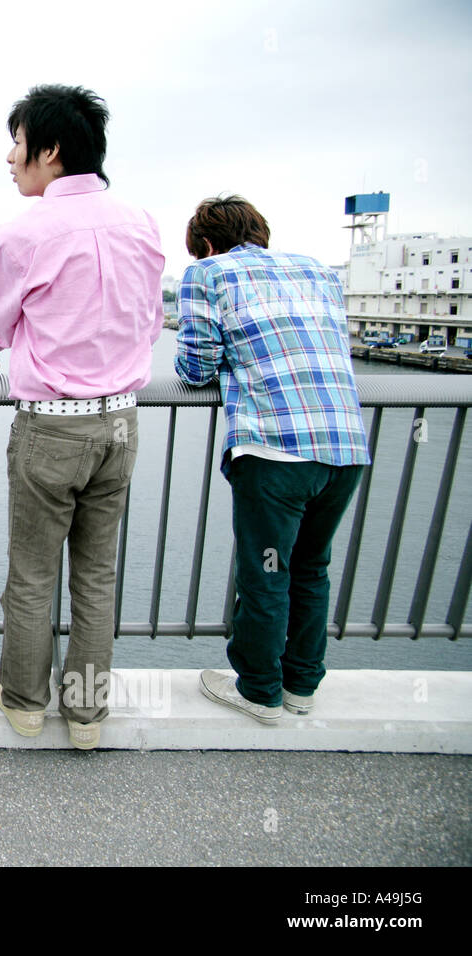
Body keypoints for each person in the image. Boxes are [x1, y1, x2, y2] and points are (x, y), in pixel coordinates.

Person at [0, 84, 165, 749]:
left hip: (51, 424)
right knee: (97, 576)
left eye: (17, 144)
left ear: (49, 150)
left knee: (32, 574)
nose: (9, 158)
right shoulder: (141, 223)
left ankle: (25, 702)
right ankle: (85, 716)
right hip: (121, 423)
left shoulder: (24, 232)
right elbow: (150, 318)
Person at [174, 196, 370, 722]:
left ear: (206, 244)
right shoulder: (318, 270)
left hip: (275, 446)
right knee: (311, 567)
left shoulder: (207, 273)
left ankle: (259, 690)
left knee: (266, 569)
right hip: (345, 445)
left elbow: (196, 367)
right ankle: (302, 685)